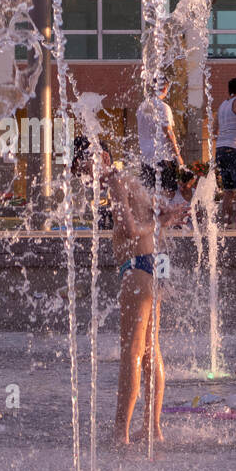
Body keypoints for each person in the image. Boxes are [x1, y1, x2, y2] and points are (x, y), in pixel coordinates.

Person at [72, 143, 188, 446]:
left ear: (101, 159)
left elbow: (130, 228)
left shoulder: (117, 183)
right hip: (150, 268)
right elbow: (159, 207)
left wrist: (158, 223)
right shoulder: (130, 181)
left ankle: (120, 432)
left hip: (136, 269)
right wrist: (164, 217)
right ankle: (152, 428)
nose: (83, 175)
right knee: (151, 353)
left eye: (83, 167)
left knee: (132, 354)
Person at [137, 78, 182, 196]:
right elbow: (168, 132)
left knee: (150, 193)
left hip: (146, 157)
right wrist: (178, 155)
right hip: (162, 156)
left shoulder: (141, 107)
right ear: (165, 88)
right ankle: (165, 214)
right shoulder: (163, 107)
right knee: (168, 192)